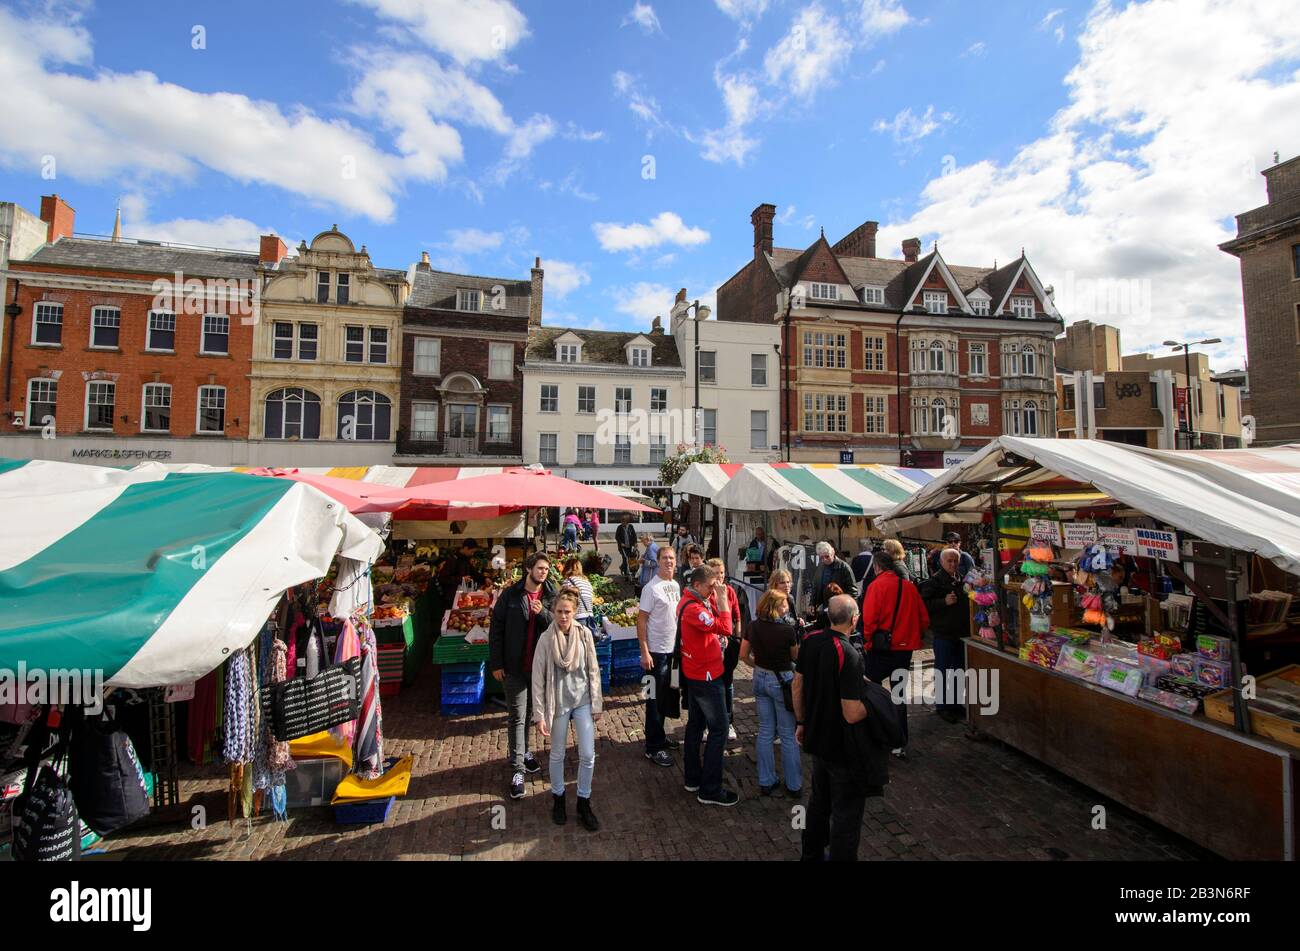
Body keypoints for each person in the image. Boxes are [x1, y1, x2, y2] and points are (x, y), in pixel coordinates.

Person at [794, 594, 886, 861]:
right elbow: (852, 712)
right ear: (854, 619)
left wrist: (802, 722)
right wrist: (877, 702)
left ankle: (810, 855)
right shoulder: (849, 653)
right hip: (843, 747)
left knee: (818, 805)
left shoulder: (810, 641)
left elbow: (797, 685)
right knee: (846, 816)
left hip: (818, 739)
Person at [532, 589, 603, 831]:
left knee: (588, 754)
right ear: (553, 612)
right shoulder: (545, 639)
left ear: (575, 612)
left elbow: (593, 669)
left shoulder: (584, 635)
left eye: (568, 612)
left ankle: (584, 801)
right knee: (557, 754)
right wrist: (539, 714)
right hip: (558, 702)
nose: (563, 616)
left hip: (582, 699)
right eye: (559, 611)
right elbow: (537, 678)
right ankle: (558, 798)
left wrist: (597, 702)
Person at [488, 552, 557, 799]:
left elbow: (558, 626)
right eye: (539, 568)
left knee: (529, 714)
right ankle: (517, 770)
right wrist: (496, 662)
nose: (543, 573)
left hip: (538, 668)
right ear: (529, 569)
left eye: (546, 569)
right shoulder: (511, 595)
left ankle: (525, 752)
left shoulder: (550, 596)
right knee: (517, 715)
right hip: (514, 667)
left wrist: (543, 614)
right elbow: (496, 628)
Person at [859, 548, 929, 759]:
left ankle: (877, 734)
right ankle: (898, 741)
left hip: (881, 649)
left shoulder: (876, 586)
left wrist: (868, 641)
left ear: (877, 567)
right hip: (904, 649)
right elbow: (924, 618)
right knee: (899, 694)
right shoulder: (908, 586)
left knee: (871, 690)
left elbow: (869, 619)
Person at [678, 564, 739, 806]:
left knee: (696, 725)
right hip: (705, 676)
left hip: (698, 671)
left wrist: (715, 595)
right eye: (710, 586)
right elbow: (725, 627)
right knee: (719, 729)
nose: (714, 590)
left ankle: (693, 777)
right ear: (697, 585)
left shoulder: (692, 600)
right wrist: (723, 601)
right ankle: (710, 788)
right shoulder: (693, 608)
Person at [741, 589, 801, 797]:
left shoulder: (754, 626)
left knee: (766, 730)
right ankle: (794, 784)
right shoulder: (786, 631)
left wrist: (757, 664)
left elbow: (743, 654)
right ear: (776, 607)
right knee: (787, 734)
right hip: (782, 680)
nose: (787, 607)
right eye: (784, 604)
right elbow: (795, 657)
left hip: (760, 676)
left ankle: (766, 780)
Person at [637, 545, 681, 767]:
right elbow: (641, 620)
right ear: (658, 560)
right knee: (653, 699)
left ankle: (660, 736)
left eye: (672, 558)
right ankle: (653, 747)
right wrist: (644, 651)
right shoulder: (650, 588)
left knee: (665, 698)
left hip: (671, 652)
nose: (669, 561)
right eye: (664, 558)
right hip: (655, 654)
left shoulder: (675, 585)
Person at [920, 548, 967, 723]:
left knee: (958, 670)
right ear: (941, 562)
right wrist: (943, 602)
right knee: (943, 670)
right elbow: (924, 606)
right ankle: (943, 706)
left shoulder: (961, 579)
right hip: (943, 634)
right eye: (950, 561)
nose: (953, 564)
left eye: (955, 561)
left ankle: (955, 703)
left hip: (961, 633)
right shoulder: (934, 582)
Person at [707, 557, 745, 741]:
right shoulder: (707, 593)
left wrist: (736, 639)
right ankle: (710, 723)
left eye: (722, 572)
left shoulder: (730, 591)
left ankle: (728, 722)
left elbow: (737, 615)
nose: (720, 576)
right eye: (716, 573)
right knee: (712, 686)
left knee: (728, 683)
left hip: (729, 644)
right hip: (712, 646)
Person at [810, 541, 857, 621]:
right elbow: (816, 586)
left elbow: (853, 591)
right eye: (821, 558)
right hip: (825, 608)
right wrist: (812, 603)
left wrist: (849, 610)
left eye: (827, 556)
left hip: (840, 608)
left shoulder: (844, 567)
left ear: (833, 553)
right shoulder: (820, 567)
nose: (824, 559)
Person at [560, 556, 595, 626]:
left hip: (578, 617)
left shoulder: (569, 581)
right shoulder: (587, 582)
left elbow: (563, 600)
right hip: (590, 616)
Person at [615, 514, 638, 580]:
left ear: (627, 522)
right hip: (622, 547)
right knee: (625, 558)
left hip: (630, 546)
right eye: (622, 522)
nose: (622, 523)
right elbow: (617, 537)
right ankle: (626, 574)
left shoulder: (630, 526)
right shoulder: (619, 527)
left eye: (624, 522)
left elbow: (634, 535)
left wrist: (635, 543)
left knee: (631, 559)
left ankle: (625, 569)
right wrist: (621, 543)